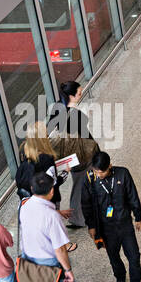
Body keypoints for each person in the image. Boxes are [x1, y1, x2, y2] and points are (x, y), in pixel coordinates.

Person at [19, 172, 92, 282]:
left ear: (32, 189)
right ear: (52, 191)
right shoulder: (51, 216)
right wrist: (68, 269)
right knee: (65, 280)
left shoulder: (24, 205)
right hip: (48, 259)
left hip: (29, 256)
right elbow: (60, 249)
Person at [80, 149, 141, 282]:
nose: (98, 175)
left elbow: (133, 195)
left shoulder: (123, 174)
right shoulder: (90, 179)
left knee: (134, 255)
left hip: (124, 223)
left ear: (110, 166)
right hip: (106, 227)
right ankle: (120, 279)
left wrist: (138, 217)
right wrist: (91, 225)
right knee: (113, 256)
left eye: (101, 172)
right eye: (96, 172)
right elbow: (86, 204)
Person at [47, 80, 98, 227]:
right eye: (79, 93)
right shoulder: (75, 114)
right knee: (81, 186)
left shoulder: (56, 108)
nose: (81, 95)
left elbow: (51, 129)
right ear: (71, 95)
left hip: (65, 157)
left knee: (78, 183)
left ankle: (78, 217)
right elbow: (85, 136)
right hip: (80, 156)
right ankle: (78, 218)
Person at [15, 122, 62, 205]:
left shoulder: (23, 150)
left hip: (31, 201)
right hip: (47, 201)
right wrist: (65, 173)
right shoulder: (46, 158)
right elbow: (53, 184)